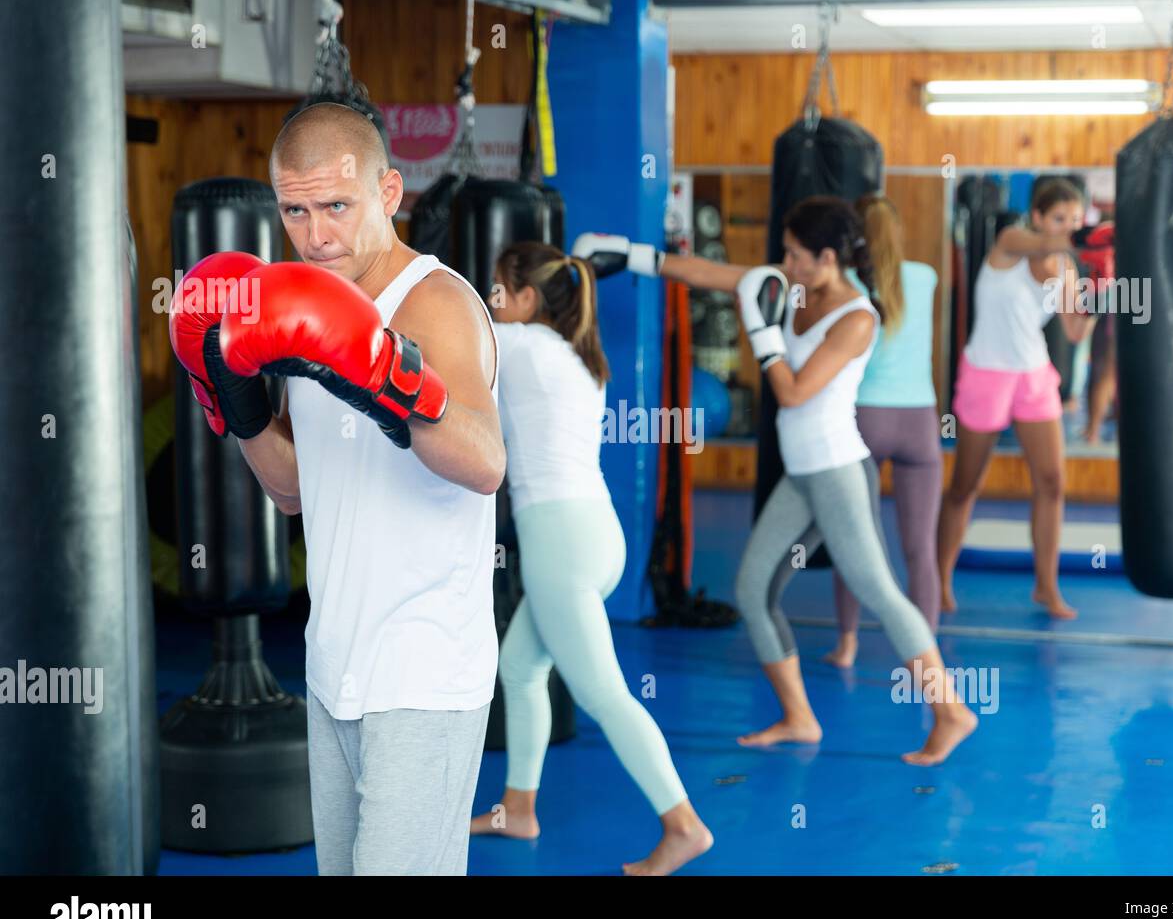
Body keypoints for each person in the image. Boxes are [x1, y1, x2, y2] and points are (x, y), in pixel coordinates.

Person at [170, 102, 505, 875]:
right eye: (295, 209)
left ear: (388, 193)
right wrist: (240, 405)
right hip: (334, 664)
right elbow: (293, 491)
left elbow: (486, 461)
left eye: (336, 206)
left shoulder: (436, 301)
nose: (317, 234)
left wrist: (389, 379)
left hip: (424, 671)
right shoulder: (299, 311)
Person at [574, 197, 977, 766]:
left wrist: (760, 331)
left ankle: (951, 710)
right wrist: (632, 255)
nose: (783, 261)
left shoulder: (858, 318)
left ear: (827, 258)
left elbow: (792, 390)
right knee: (753, 590)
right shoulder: (791, 288)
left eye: (794, 252)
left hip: (838, 471)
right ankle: (798, 716)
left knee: (878, 591)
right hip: (802, 474)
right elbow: (713, 275)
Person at [468, 242, 713, 876]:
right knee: (521, 668)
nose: (493, 299)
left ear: (526, 298)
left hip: (559, 540)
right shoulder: (582, 358)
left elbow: (450, 332)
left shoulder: (518, 346)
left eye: (499, 288)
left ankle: (682, 825)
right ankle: (518, 809)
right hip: (596, 534)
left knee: (604, 693)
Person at [937, 177, 1096, 620]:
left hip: (1033, 375)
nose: (1068, 227)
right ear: (1039, 218)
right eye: (1060, 218)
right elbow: (1041, 244)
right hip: (987, 373)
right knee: (966, 485)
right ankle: (940, 579)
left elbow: (1074, 330)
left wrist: (1103, 288)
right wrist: (1077, 241)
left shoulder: (1066, 268)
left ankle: (1046, 586)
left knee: (1052, 483)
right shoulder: (1010, 242)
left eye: (1076, 220)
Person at [826, 195, 942, 668]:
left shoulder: (846, 284)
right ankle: (926, 660)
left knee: (855, 541)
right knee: (921, 549)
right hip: (920, 423)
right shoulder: (927, 277)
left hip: (865, 418)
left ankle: (848, 644)